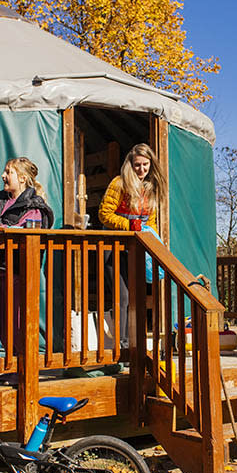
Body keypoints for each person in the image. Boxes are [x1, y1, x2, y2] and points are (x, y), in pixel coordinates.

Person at [98, 143, 166, 348]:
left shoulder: (151, 189)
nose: (141, 169)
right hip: (113, 245)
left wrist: (151, 240)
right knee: (123, 295)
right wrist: (129, 225)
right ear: (130, 164)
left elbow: (150, 222)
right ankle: (121, 344)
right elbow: (104, 214)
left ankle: (134, 342)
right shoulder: (119, 184)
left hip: (135, 247)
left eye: (145, 165)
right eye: (137, 165)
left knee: (136, 295)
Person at [0, 157, 55, 356]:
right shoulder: (3, 202)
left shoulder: (34, 206)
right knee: (4, 322)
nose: (3, 175)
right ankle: (13, 364)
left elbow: (27, 230)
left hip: (21, 271)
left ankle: (24, 366)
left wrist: (0, 228)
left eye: (8, 171)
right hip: (2, 268)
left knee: (19, 321)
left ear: (22, 178)